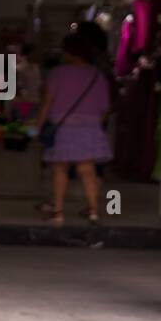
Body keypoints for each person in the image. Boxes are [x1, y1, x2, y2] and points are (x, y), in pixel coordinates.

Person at [34, 22, 112, 225]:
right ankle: (93, 211)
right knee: (87, 170)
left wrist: (37, 126)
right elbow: (105, 108)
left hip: (64, 127)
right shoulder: (97, 75)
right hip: (90, 128)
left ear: (68, 52)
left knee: (60, 169)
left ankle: (58, 212)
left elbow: (47, 104)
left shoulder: (58, 74)